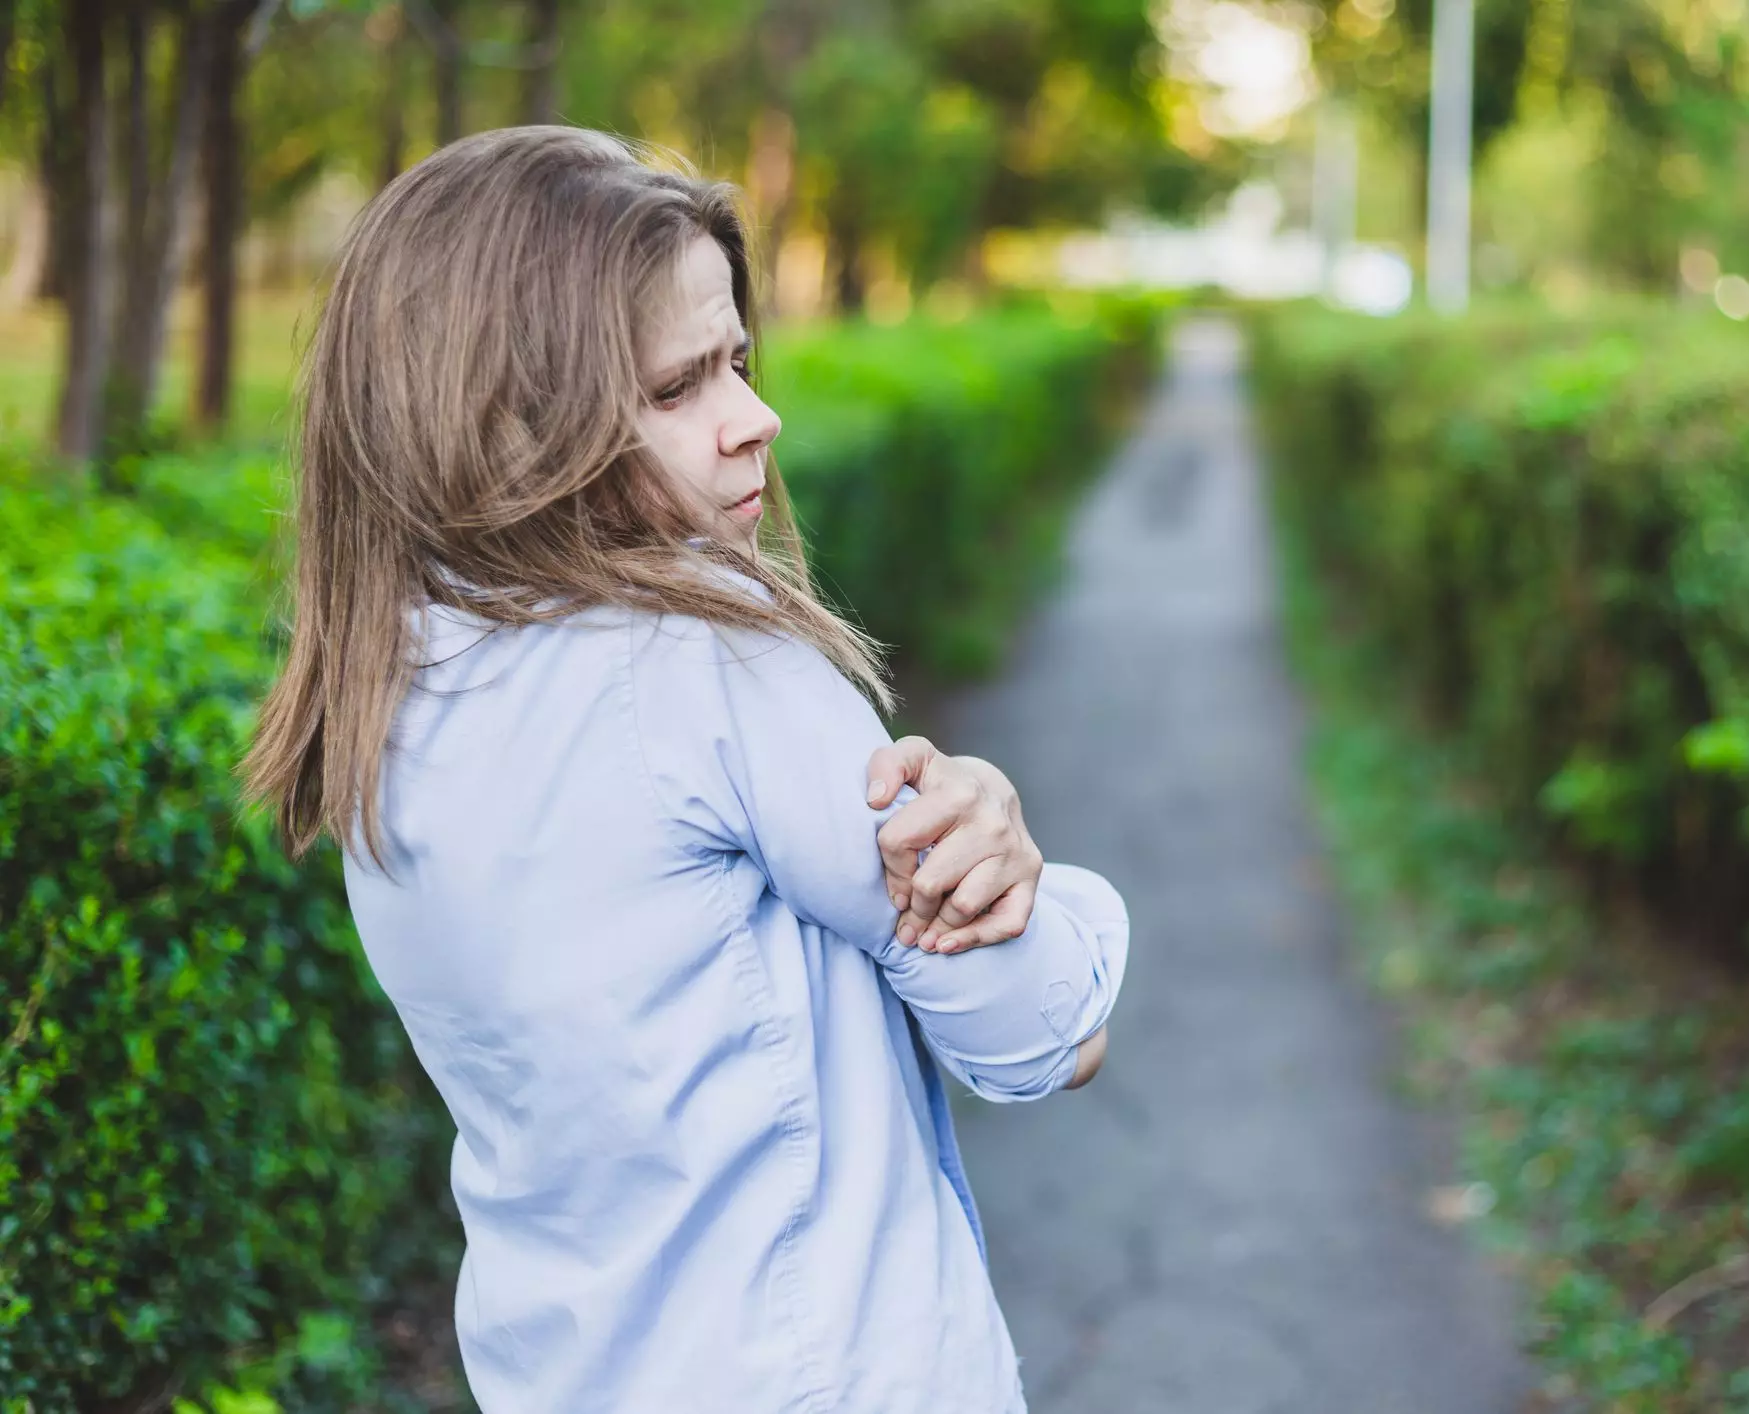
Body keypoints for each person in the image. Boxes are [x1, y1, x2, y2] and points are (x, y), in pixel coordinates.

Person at [240, 125, 1129, 1414]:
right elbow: (1044, 1031)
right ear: (507, 420)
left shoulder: (386, 702)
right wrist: (1050, 879)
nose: (755, 418)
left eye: (741, 362)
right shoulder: (696, 664)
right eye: (677, 388)